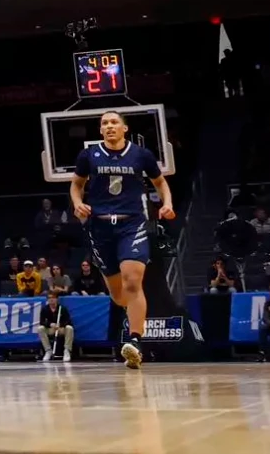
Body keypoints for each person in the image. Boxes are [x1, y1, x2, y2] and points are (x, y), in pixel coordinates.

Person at [69, 109, 174, 369]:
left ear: (124, 128)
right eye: (105, 123)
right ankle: (133, 316)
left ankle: (135, 341)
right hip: (100, 227)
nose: (110, 126)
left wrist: (167, 204)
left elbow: (160, 182)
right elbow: (76, 184)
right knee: (118, 295)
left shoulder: (141, 154)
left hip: (132, 223)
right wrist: (77, 203)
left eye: (114, 122)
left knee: (133, 281)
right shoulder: (88, 155)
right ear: (100, 130)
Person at [38, 291, 75, 362]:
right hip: (51, 329)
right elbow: (42, 322)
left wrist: (60, 325)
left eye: (53, 298)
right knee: (40, 329)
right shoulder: (44, 309)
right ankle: (48, 351)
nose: (51, 300)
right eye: (49, 298)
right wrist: (50, 324)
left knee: (69, 328)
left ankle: (67, 351)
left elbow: (68, 321)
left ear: (57, 299)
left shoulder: (62, 308)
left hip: (61, 329)